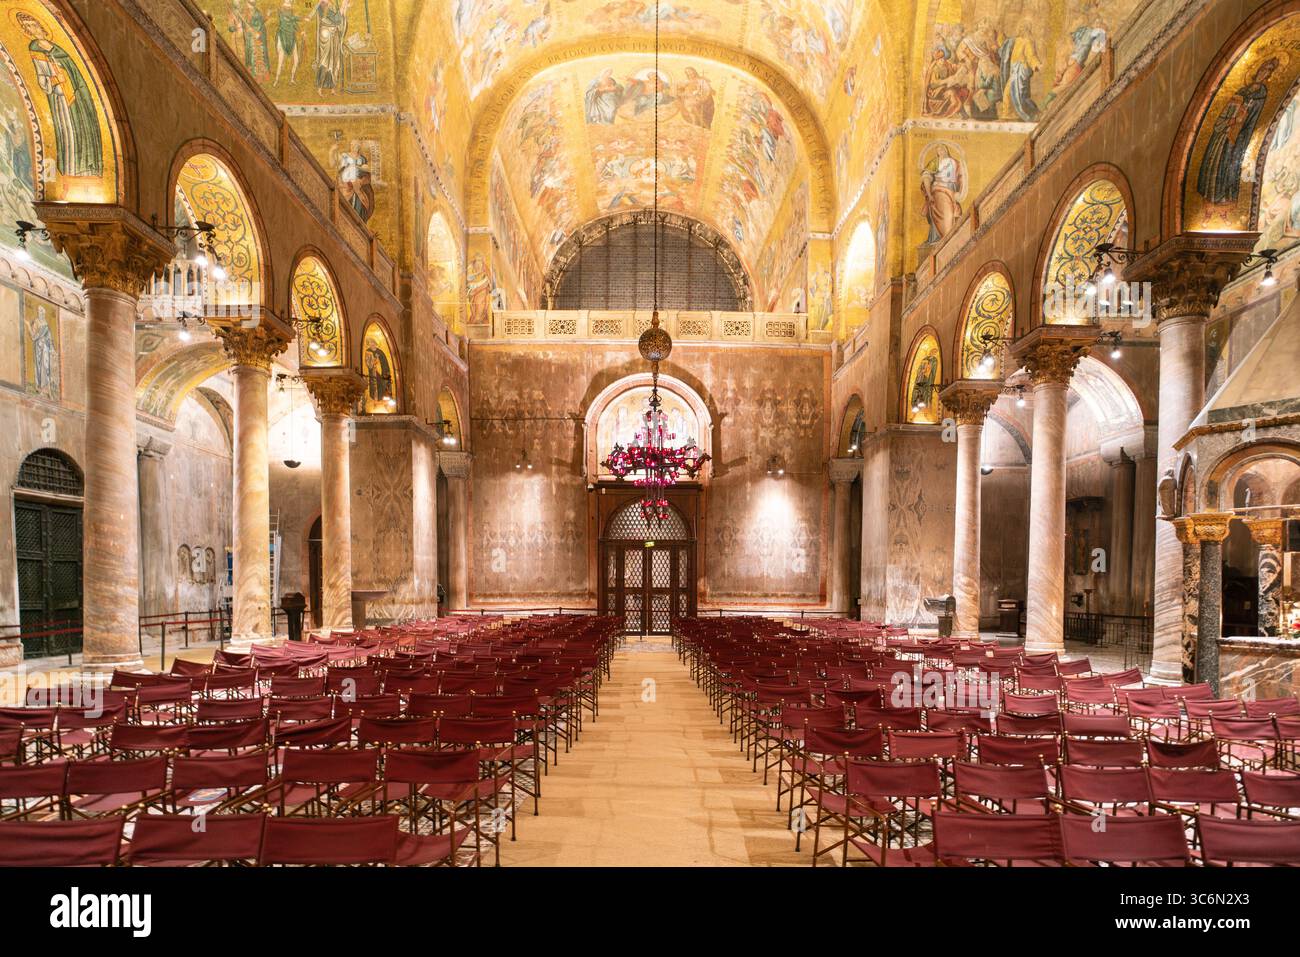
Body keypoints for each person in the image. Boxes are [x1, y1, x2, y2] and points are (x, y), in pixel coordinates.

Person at [18, 12, 102, 179]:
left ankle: (84, 167)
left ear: (39, 25)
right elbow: (42, 80)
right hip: (59, 98)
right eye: (28, 27)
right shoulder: (35, 49)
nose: (32, 29)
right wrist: (56, 79)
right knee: (67, 130)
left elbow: (75, 72)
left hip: (74, 96)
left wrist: (71, 82)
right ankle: (70, 169)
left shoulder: (59, 49)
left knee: (80, 128)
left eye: (33, 24)